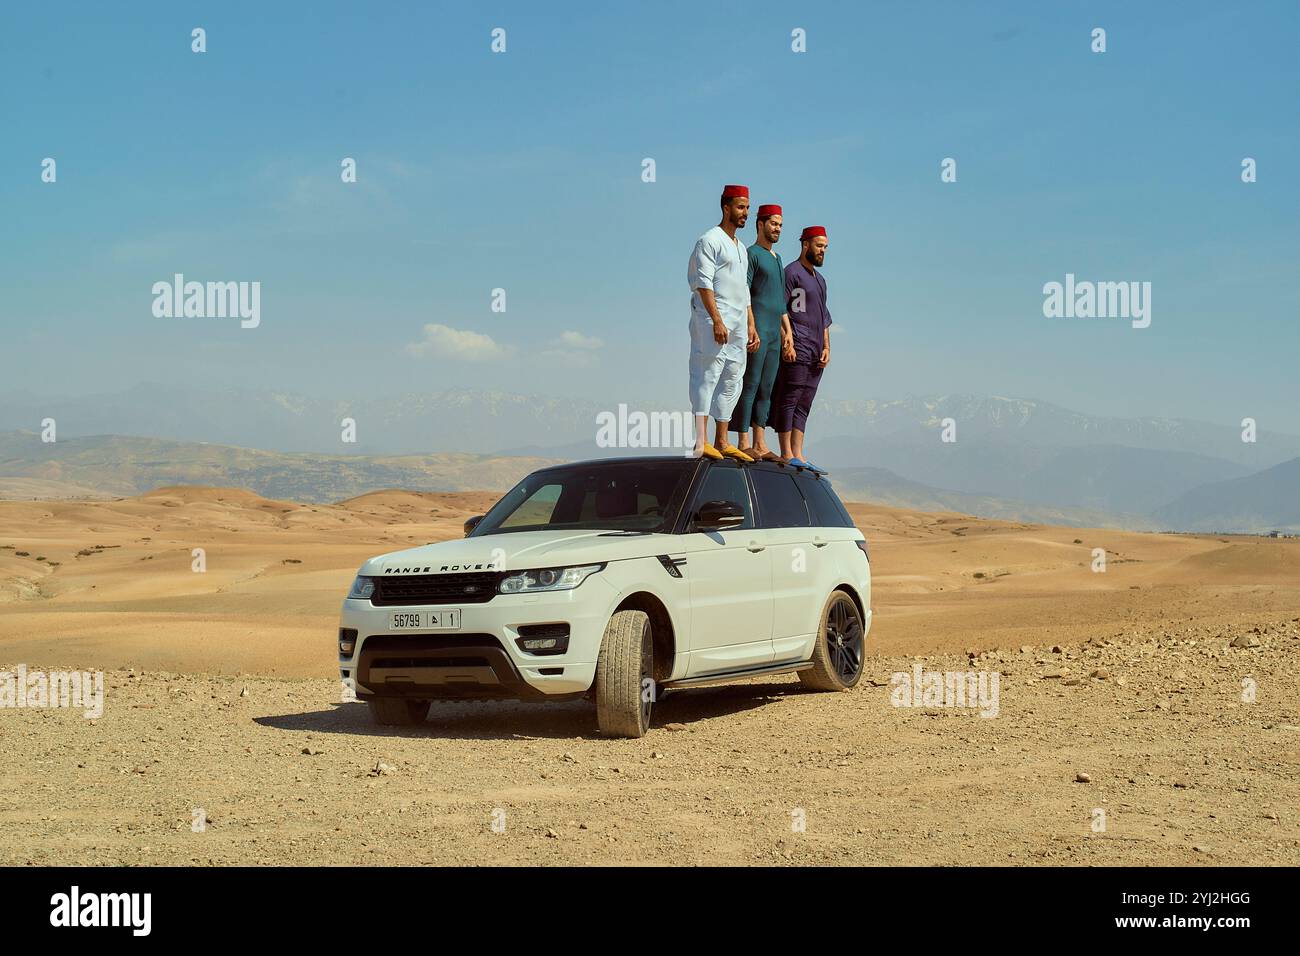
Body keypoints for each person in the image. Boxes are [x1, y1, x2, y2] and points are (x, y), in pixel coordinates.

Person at [687, 184, 759, 460]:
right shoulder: (710, 240)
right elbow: (702, 283)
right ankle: (700, 440)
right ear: (726, 207)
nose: (745, 213)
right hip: (712, 317)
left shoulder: (740, 247)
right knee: (707, 372)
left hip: (738, 321)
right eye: (740, 207)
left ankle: (721, 440)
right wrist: (716, 319)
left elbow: (744, 290)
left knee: (733, 375)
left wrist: (750, 323)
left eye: (747, 208)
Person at [729, 203, 787, 461]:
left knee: (767, 387)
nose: (777, 229)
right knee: (750, 383)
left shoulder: (778, 259)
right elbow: (744, 293)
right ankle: (743, 441)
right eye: (773, 223)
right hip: (758, 329)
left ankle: (760, 443)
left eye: (781, 225)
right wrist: (751, 326)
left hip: (776, 332)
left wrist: (789, 333)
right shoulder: (751, 254)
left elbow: (781, 302)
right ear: (760, 224)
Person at [773, 225, 831, 470]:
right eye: (819, 246)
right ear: (805, 244)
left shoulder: (821, 281)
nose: (822, 251)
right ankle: (786, 452)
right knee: (790, 397)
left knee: (805, 402)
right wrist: (787, 337)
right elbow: (779, 307)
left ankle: (799, 452)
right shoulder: (791, 273)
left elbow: (824, 316)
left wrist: (827, 346)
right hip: (797, 346)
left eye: (825, 248)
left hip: (817, 351)